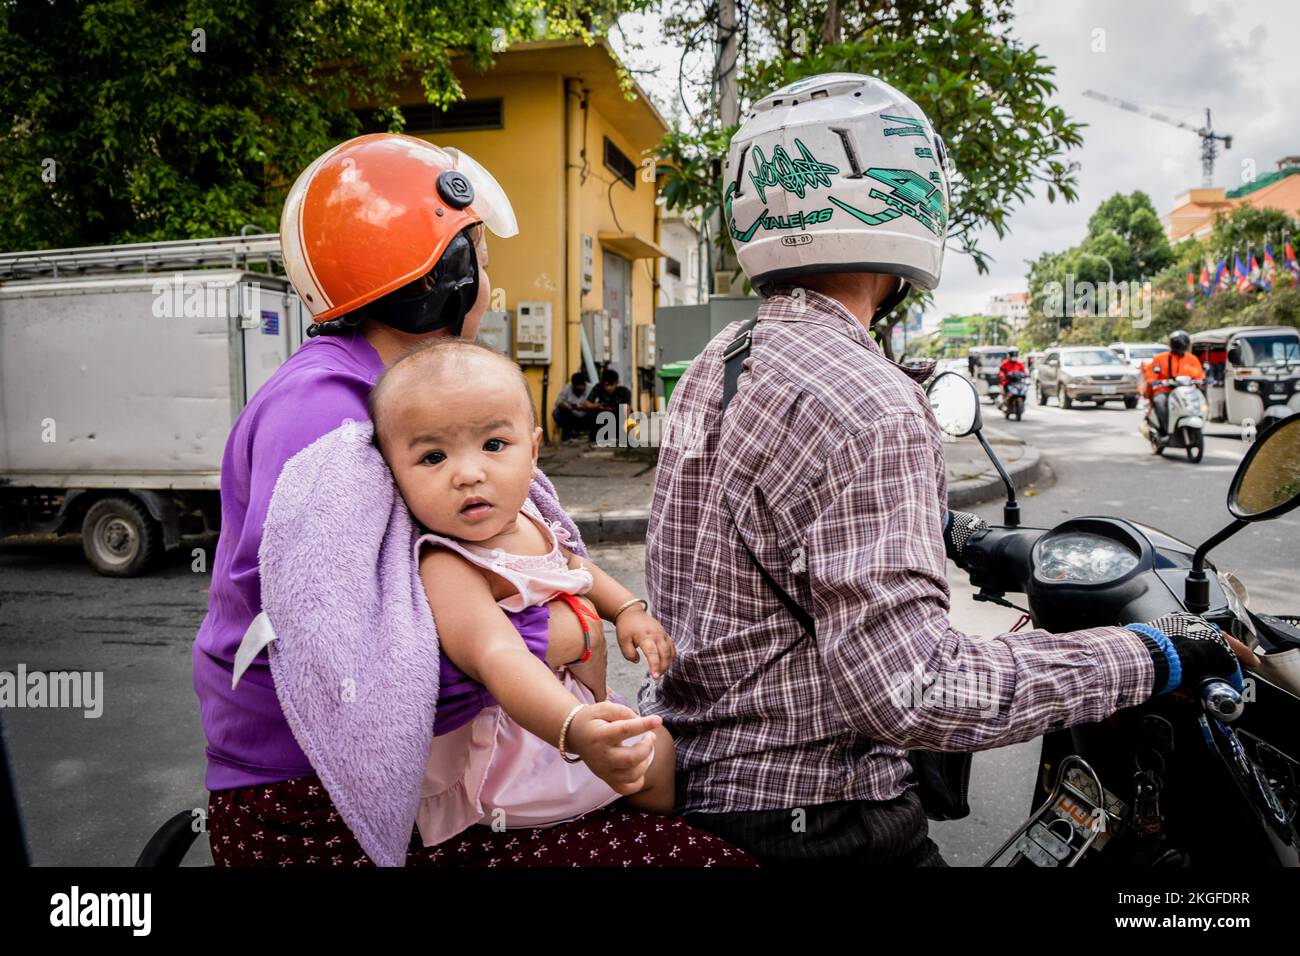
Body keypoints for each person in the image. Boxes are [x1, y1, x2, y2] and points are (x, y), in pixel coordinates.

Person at [641, 73, 1255, 866]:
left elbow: (761, 521)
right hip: (822, 818)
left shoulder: (720, 360)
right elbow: (915, 691)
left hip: (695, 779)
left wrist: (943, 533)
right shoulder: (878, 403)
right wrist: (1154, 653)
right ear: (907, 201)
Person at [195, 133, 752, 867]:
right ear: (447, 277)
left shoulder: (395, 389)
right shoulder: (331, 412)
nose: (488, 284)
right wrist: (563, 634)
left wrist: (586, 616)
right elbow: (355, 657)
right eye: (479, 259)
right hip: (310, 801)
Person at [367, 338, 677, 823]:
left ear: (532, 452)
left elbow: (576, 568)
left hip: (574, 703)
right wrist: (573, 728)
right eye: (433, 457)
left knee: (657, 747)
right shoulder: (448, 563)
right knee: (645, 749)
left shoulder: (529, 517)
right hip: (520, 742)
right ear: (391, 473)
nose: (468, 474)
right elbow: (498, 654)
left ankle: (656, 828)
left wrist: (626, 610)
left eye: (493, 445)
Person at [1143, 330, 1205, 434]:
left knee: (1200, 401)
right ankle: (1165, 430)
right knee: (1160, 402)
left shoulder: (1192, 359)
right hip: (1165, 391)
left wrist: (1202, 381)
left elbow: (1200, 375)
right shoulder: (1160, 358)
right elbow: (1151, 377)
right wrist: (1158, 382)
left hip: (1186, 392)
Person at [552, 370, 591, 441]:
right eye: (576, 388)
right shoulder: (568, 387)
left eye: (580, 388)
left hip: (587, 417)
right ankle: (567, 436)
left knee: (595, 412)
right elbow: (558, 402)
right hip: (572, 416)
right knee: (557, 412)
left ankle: (593, 435)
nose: (578, 390)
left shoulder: (591, 388)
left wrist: (585, 407)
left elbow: (597, 404)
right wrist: (569, 406)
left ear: (584, 384)